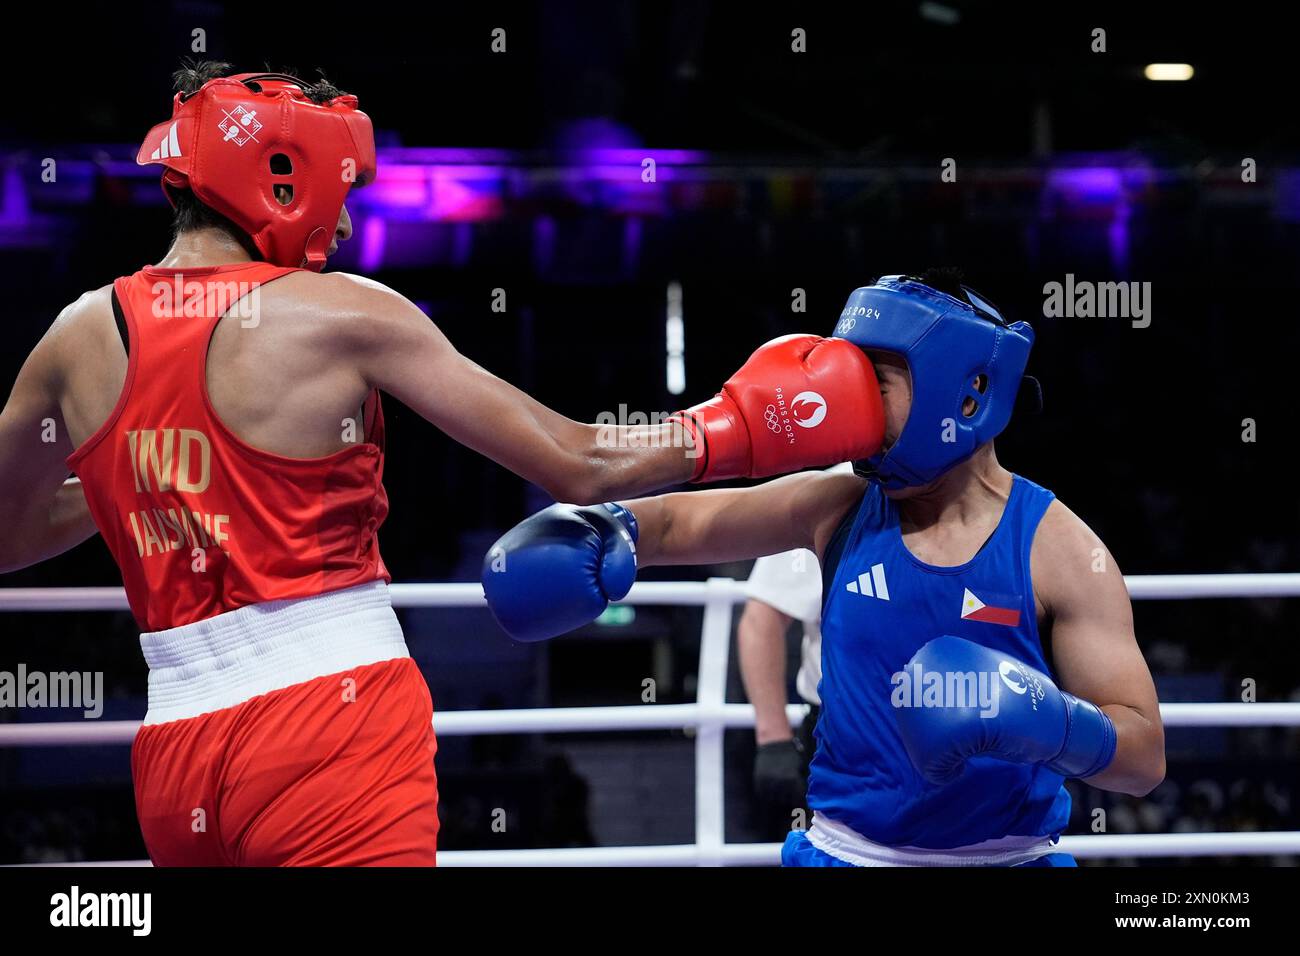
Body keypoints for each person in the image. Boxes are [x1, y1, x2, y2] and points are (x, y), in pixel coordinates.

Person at [0, 63, 883, 866]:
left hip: (175, 751)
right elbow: (579, 462)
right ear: (281, 177)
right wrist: (737, 429)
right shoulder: (343, 313)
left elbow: (8, 537)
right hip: (331, 722)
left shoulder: (74, 337)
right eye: (338, 191)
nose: (342, 221)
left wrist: (137, 470)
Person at [483, 270, 1166, 867]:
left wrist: (1044, 721)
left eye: (880, 383)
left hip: (1009, 860)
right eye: (850, 378)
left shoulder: (1061, 550)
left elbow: (1142, 760)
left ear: (967, 396)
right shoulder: (837, 504)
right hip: (844, 855)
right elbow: (678, 522)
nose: (852, 407)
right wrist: (608, 531)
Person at [739, 462, 854, 836]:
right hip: (839, 731)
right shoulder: (831, 496)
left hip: (956, 730)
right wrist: (773, 740)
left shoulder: (994, 504)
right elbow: (761, 619)